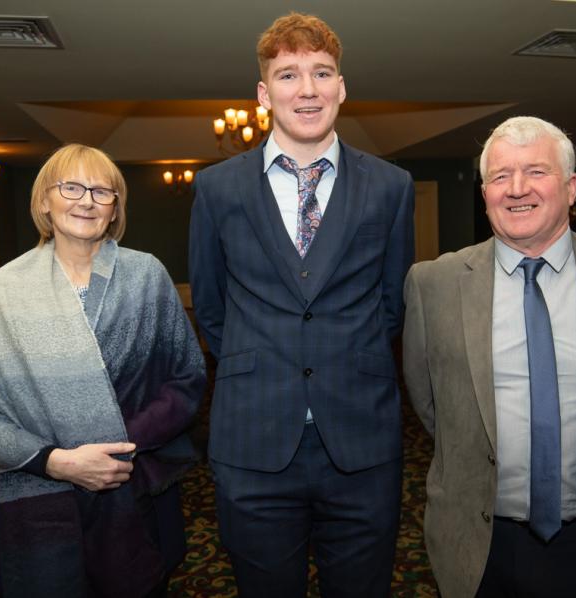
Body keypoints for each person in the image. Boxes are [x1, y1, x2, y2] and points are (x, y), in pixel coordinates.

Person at [402, 116, 576, 598]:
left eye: (536, 171)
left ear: (571, 188)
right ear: (484, 191)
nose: (517, 188)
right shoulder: (433, 285)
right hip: (478, 541)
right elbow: (432, 405)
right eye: (500, 176)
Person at [188, 12, 414, 598]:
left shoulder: (391, 187)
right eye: (288, 75)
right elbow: (211, 308)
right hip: (252, 440)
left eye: (322, 73)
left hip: (362, 441)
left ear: (342, 86)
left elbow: (393, 303)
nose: (307, 90)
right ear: (264, 94)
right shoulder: (217, 188)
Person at [0, 143, 206, 598]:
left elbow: (187, 378)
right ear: (44, 202)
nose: (87, 200)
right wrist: (61, 463)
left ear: (115, 211)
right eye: (71, 187)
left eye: (102, 192)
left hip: (133, 484)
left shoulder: (146, 276)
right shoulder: (7, 288)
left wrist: (119, 447)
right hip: (39, 496)